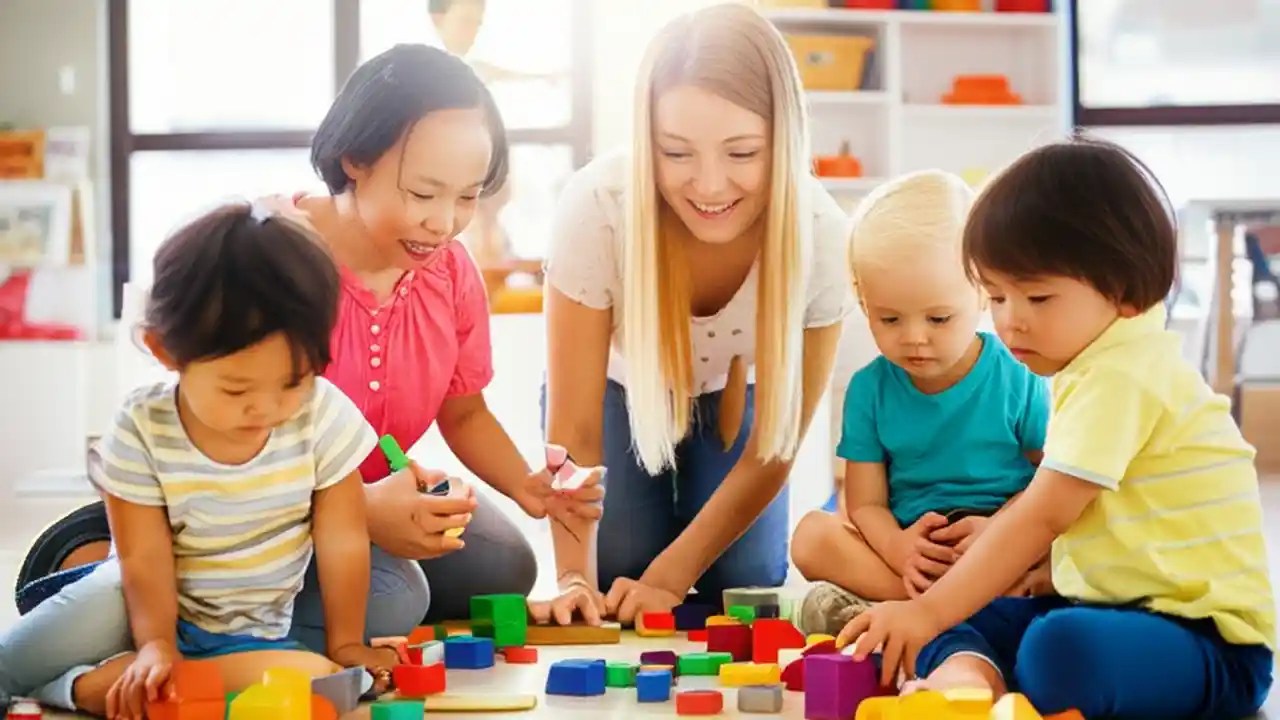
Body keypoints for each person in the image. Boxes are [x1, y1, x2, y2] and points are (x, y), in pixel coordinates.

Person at [9, 45, 600, 690]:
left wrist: (527, 486)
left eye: (468, 197)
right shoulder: (277, 262)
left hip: (352, 502)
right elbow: (217, 418)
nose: (444, 222)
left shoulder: (450, 272)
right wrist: (363, 511)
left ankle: (213, 635)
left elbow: (463, 412)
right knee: (397, 596)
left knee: (502, 567)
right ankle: (116, 572)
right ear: (354, 159)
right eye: (423, 192)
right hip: (240, 496)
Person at [837, 136, 1275, 720]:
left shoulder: (1122, 373)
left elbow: (1043, 514)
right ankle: (969, 676)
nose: (1011, 321)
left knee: (1051, 645)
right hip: (1109, 608)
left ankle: (979, 667)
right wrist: (964, 598)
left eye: (1038, 298)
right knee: (972, 610)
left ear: (1123, 292)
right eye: (996, 296)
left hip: (1208, 643)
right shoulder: (1090, 366)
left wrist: (928, 611)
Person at [1, 202, 393, 715]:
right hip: (134, 605)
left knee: (323, 679)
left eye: (292, 382)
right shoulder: (142, 427)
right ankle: (88, 678)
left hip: (252, 631)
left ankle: (93, 686)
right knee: (12, 664)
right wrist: (156, 645)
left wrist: (346, 643)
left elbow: (342, 540)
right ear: (166, 352)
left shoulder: (321, 413)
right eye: (236, 389)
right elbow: (143, 558)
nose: (267, 407)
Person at [536, 3, 853, 626]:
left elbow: (776, 445)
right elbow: (574, 424)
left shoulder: (821, 234)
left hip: (736, 399)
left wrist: (670, 578)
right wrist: (574, 576)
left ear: (783, 140)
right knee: (617, 566)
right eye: (676, 153)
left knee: (741, 579)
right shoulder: (597, 208)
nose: (709, 186)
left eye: (742, 153)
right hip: (620, 392)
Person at [788, 170, 1051, 637]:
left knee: (1068, 535)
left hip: (999, 542)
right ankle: (943, 605)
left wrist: (998, 531)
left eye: (938, 318)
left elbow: (1050, 482)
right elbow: (865, 503)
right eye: (889, 319)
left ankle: (927, 606)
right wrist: (899, 549)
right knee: (811, 537)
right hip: (912, 556)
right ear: (864, 303)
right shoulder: (869, 390)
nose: (914, 338)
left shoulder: (1020, 374)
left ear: (983, 293)